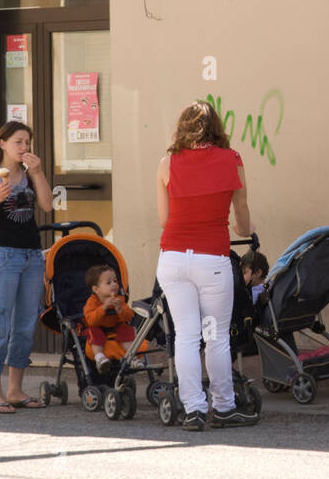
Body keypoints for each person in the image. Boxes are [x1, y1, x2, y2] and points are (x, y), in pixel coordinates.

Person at [156, 101, 259, 430]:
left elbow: (164, 219)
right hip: (211, 261)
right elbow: (241, 215)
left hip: (172, 258)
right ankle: (225, 407)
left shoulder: (166, 162)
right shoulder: (232, 159)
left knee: (186, 336)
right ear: (217, 127)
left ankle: (194, 410)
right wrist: (246, 231)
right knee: (215, 337)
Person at [0, 120, 53, 414]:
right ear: (2, 143)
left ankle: (15, 389)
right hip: (1, 256)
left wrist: (39, 173)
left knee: (24, 324)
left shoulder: (30, 175)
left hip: (31, 256)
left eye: (27, 143)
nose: (24, 147)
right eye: (19, 142)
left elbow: (46, 205)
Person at [82, 265, 145, 370]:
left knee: (126, 329)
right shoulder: (92, 301)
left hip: (116, 328)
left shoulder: (119, 299)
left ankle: (131, 357)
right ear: (96, 289)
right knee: (94, 331)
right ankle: (100, 357)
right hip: (98, 328)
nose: (114, 284)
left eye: (115, 281)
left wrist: (120, 310)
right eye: (109, 283)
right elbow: (91, 320)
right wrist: (103, 308)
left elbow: (129, 316)